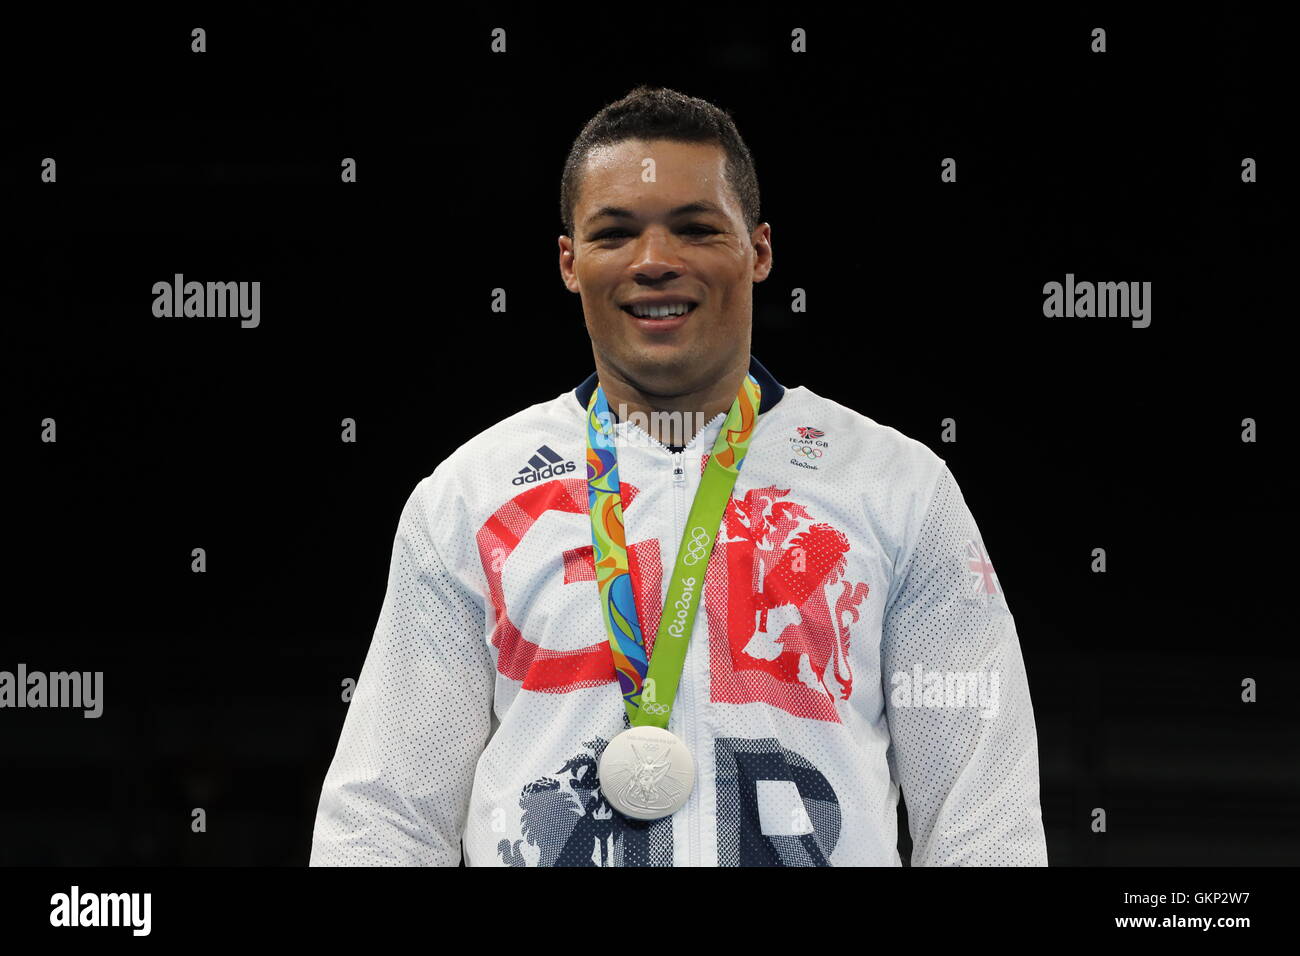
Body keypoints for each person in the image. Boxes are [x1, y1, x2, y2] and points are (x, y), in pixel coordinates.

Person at [309, 85, 1048, 866]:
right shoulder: (470, 497)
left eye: (695, 229)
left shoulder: (897, 488)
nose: (655, 262)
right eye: (615, 234)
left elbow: (982, 813)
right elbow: (386, 816)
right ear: (569, 262)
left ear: (759, 251)